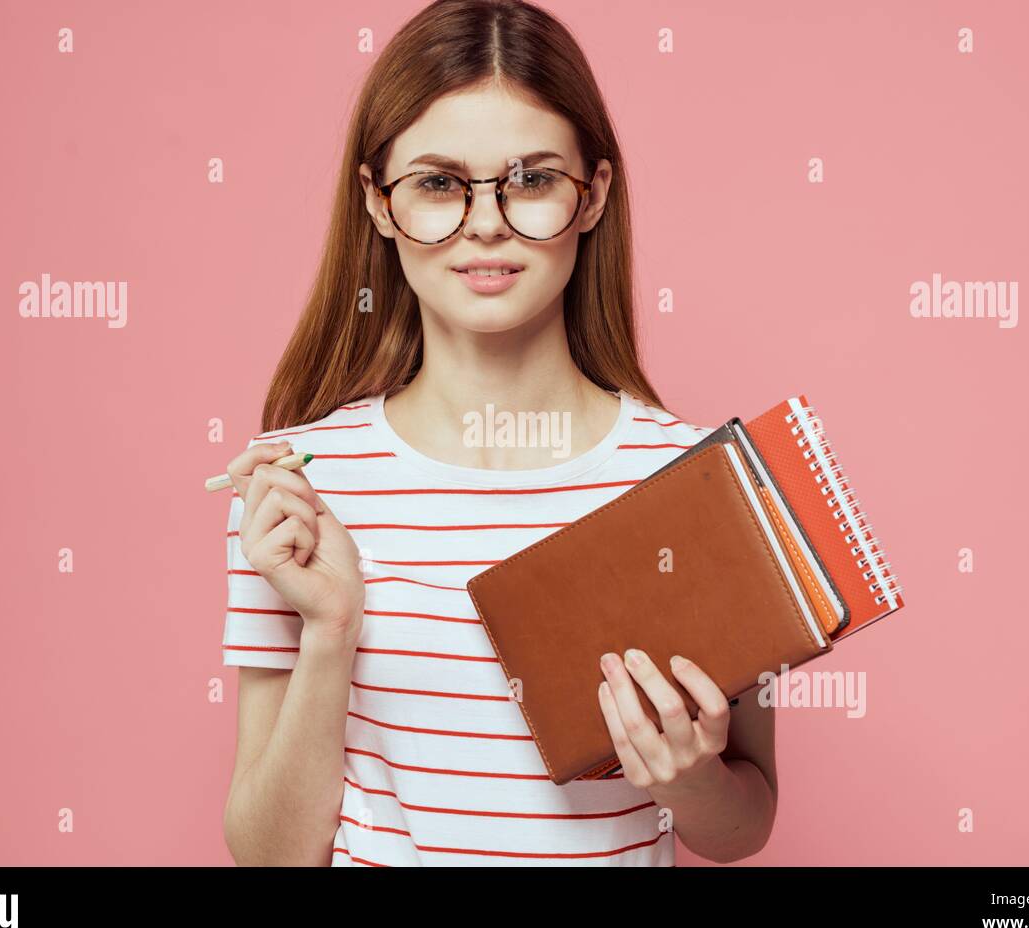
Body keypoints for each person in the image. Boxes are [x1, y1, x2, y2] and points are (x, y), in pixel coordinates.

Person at [219, 0, 777, 867]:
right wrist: (331, 629)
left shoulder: (691, 478)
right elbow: (267, 857)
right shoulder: (301, 490)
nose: (485, 223)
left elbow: (743, 826)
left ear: (591, 195)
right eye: (439, 183)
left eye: (532, 179)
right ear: (377, 202)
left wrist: (687, 777)